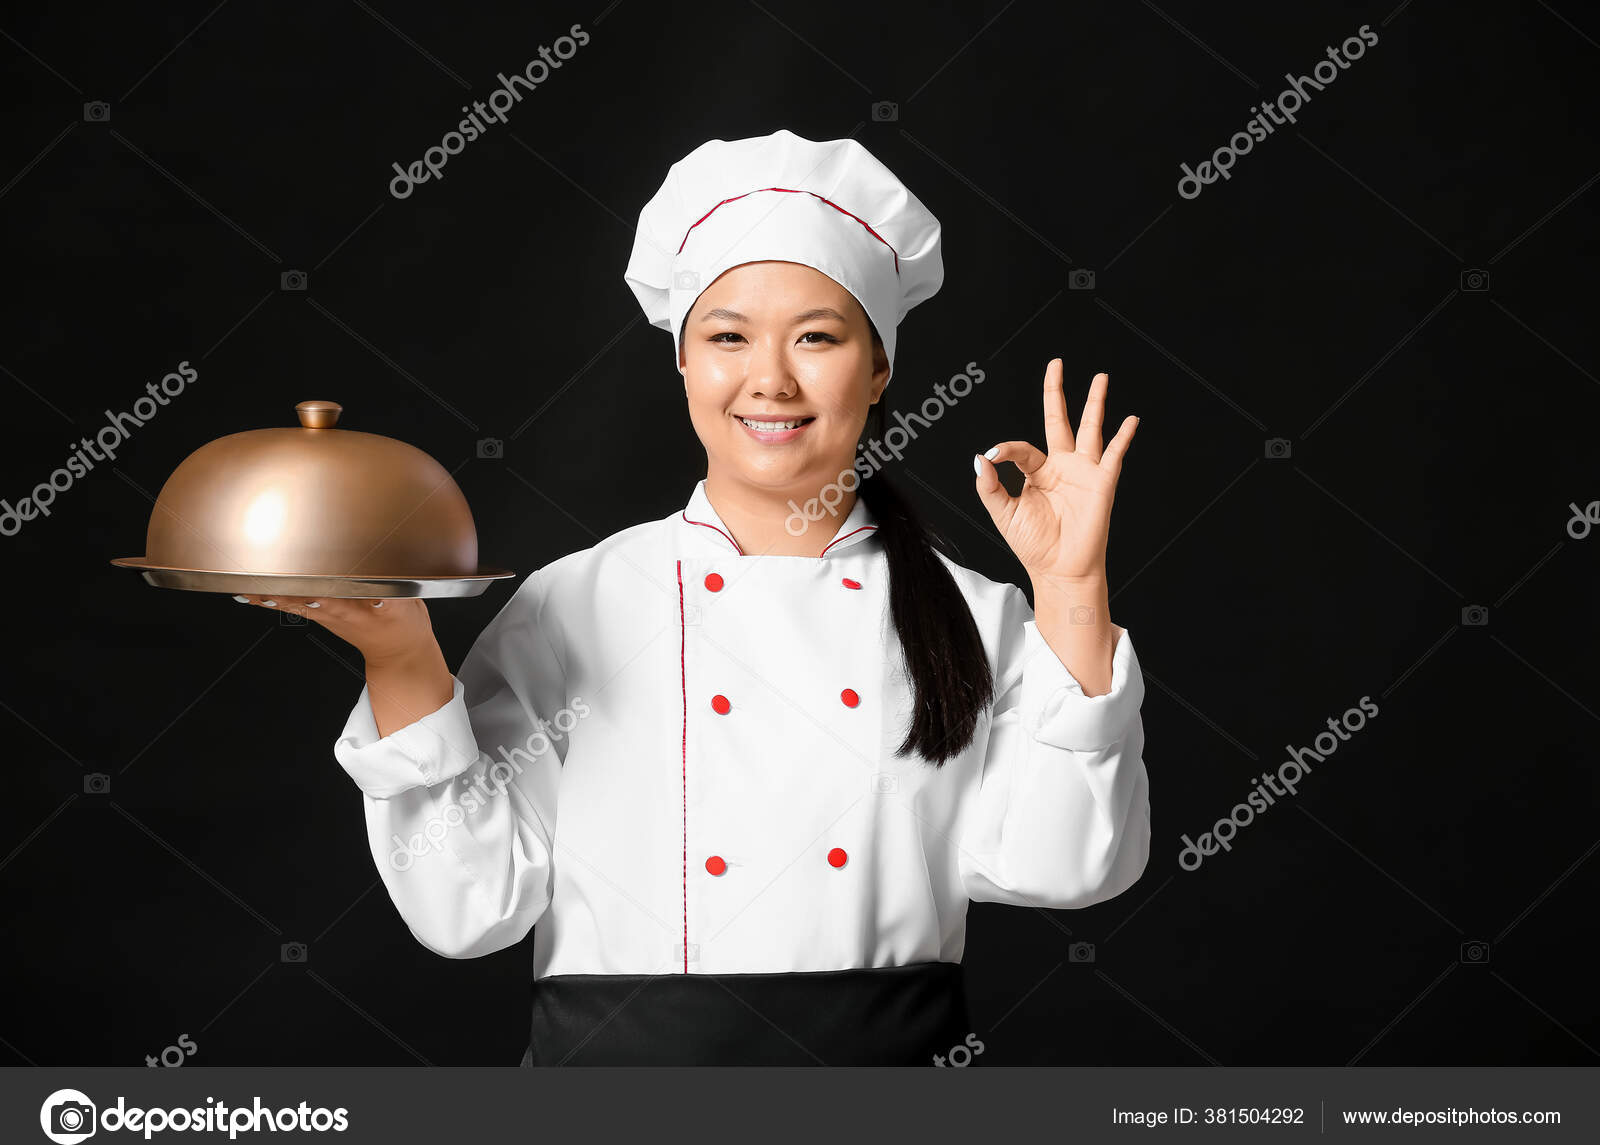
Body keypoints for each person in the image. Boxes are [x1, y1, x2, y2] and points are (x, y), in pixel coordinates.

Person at [238, 129, 1149, 1066]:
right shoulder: (574, 604)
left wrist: (1072, 584)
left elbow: (1066, 868)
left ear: (879, 369)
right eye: (727, 336)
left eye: (817, 337)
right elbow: (468, 908)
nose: (771, 378)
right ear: (680, 359)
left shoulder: (973, 614)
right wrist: (401, 660)